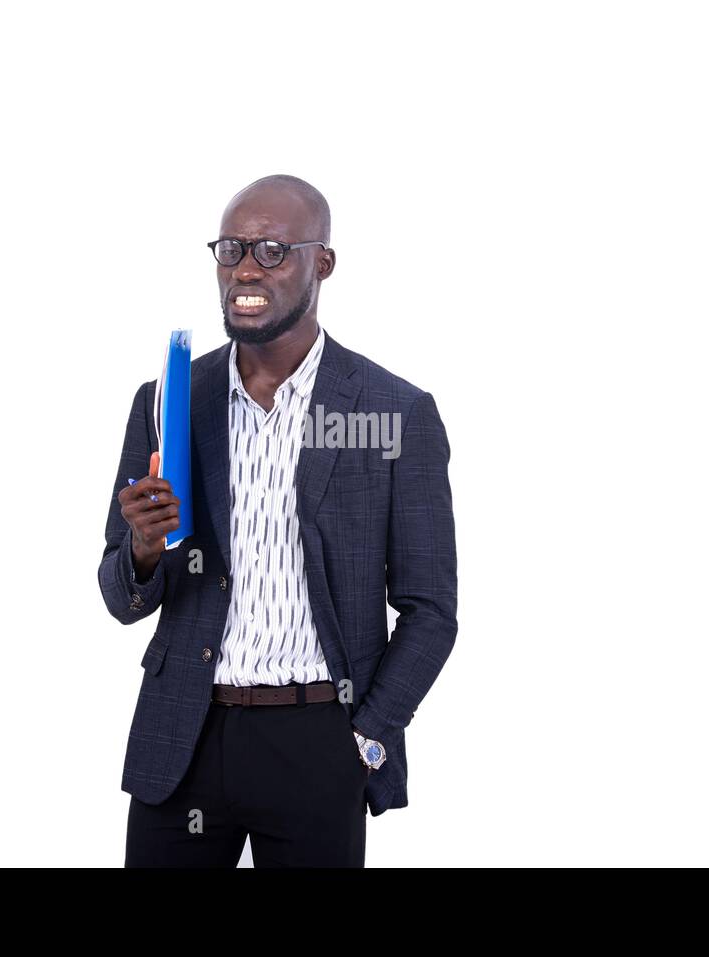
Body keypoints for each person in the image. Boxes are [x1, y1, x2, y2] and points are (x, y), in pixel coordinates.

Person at [99, 174, 457, 867]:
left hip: (319, 741)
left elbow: (431, 609)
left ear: (321, 262)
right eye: (232, 249)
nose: (244, 269)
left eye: (271, 250)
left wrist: (368, 735)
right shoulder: (171, 401)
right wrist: (143, 549)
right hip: (184, 735)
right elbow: (121, 596)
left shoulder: (390, 413)